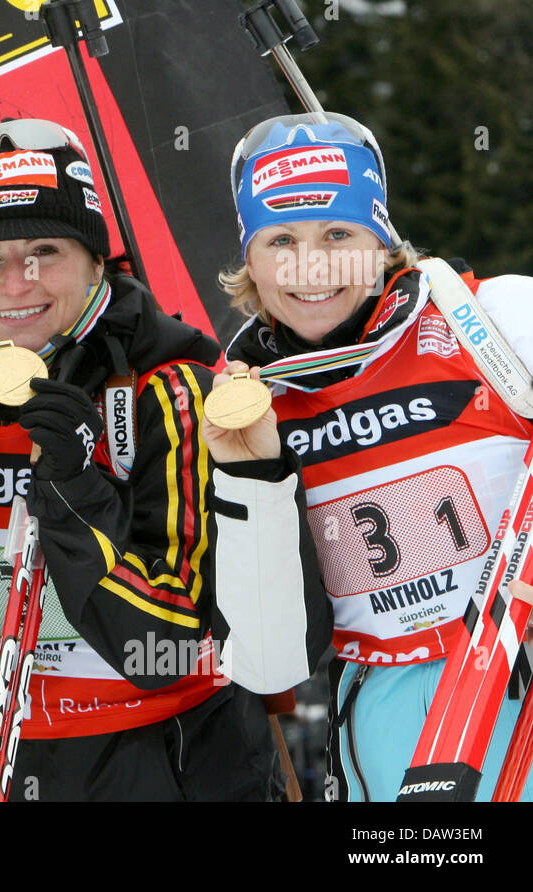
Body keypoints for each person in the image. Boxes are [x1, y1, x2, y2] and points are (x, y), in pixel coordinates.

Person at [0, 112, 325, 801]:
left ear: (93, 258)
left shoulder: (174, 392)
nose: (16, 283)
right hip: (22, 763)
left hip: (184, 758)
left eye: (46, 250)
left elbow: (160, 648)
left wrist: (74, 488)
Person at [216, 111, 533, 801]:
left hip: (518, 668)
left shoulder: (495, 320)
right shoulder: (240, 406)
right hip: (382, 710)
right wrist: (256, 476)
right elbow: (270, 661)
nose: (312, 264)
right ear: (250, 260)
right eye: (281, 240)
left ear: (382, 239)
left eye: (339, 233)